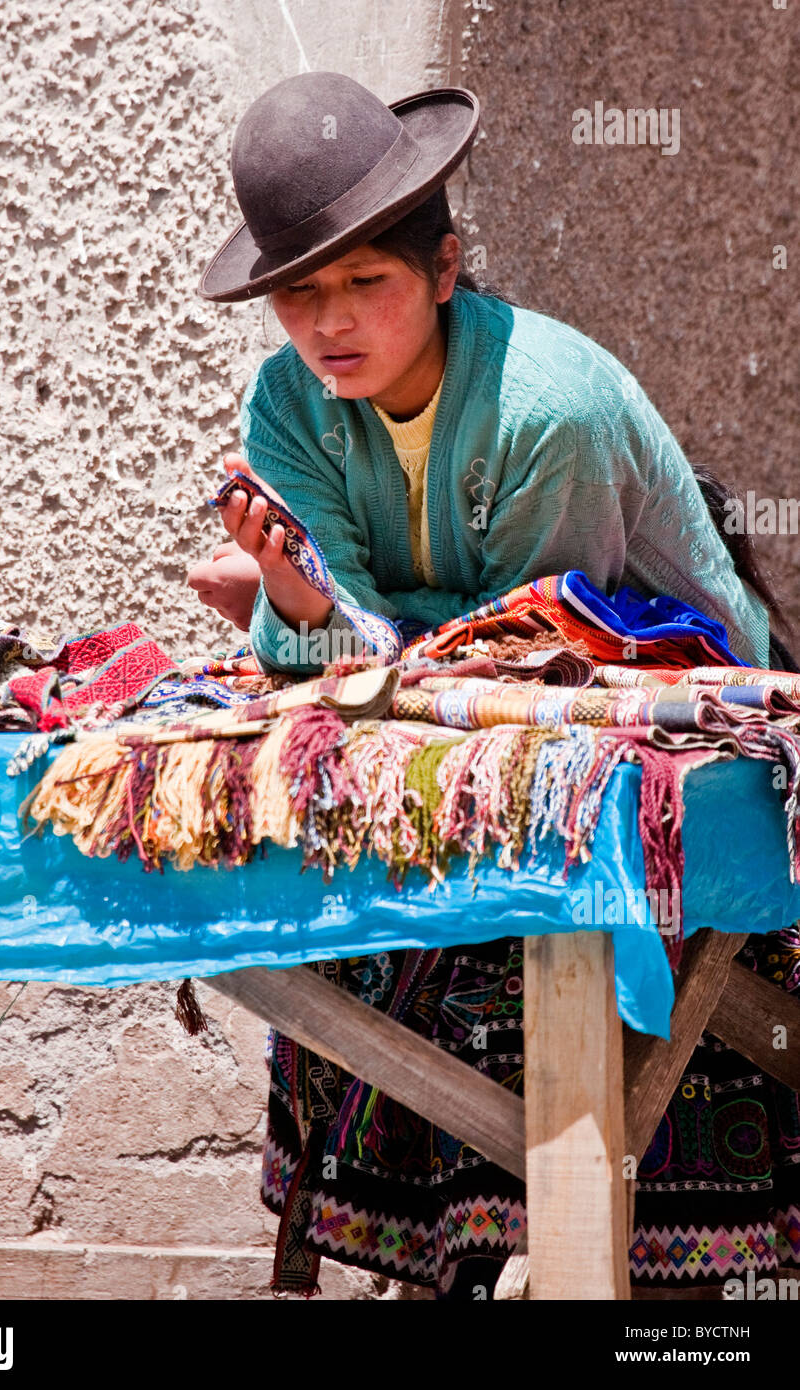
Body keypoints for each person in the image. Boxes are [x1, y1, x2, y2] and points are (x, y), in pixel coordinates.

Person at [190, 70, 800, 1298]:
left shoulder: (545, 409)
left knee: (523, 902)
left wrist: (318, 622)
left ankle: (595, 1262)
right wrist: (297, 606)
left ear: (446, 267)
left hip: (671, 734)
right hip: (471, 728)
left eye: (367, 280)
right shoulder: (287, 411)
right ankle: (454, 1249)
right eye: (299, 293)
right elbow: (373, 645)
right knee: (349, 892)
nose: (330, 323)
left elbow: (531, 653)